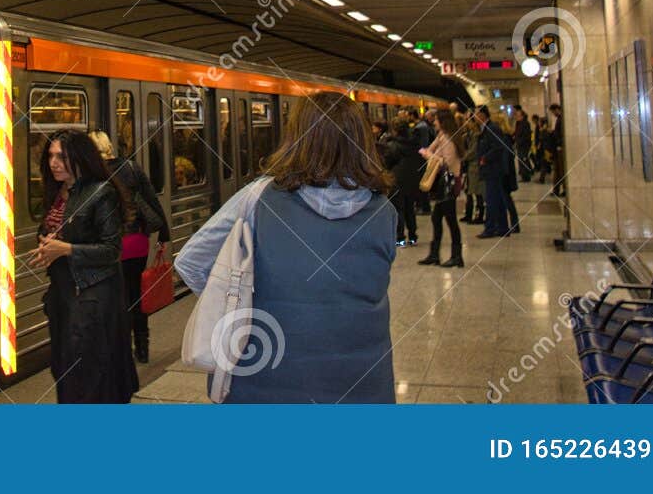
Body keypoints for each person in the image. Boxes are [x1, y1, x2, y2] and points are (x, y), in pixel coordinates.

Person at [178, 92, 396, 403]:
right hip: (362, 382)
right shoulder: (384, 210)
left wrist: (235, 302)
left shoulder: (258, 199)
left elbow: (190, 261)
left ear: (297, 136)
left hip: (265, 379)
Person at [32, 129, 136, 403]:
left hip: (91, 297)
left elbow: (111, 249)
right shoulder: (59, 192)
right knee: (65, 368)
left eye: (61, 157)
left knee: (89, 372)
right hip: (64, 296)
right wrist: (48, 246)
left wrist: (65, 249)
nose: (53, 162)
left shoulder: (101, 193)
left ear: (79, 158)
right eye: (51, 156)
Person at [91, 130, 170, 363]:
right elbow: (152, 199)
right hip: (137, 242)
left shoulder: (93, 176)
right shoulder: (132, 168)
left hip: (110, 246)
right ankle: (142, 347)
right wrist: (164, 233)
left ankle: (120, 349)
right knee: (135, 294)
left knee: (114, 298)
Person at [417, 109, 464, 268]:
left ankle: (456, 256)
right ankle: (434, 254)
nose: (434, 122)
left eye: (436, 120)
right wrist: (431, 149)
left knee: (450, 220)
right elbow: (430, 149)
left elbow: (446, 162)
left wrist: (429, 155)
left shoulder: (449, 139)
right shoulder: (443, 136)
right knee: (436, 218)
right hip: (444, 184)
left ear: (443, 122)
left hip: (448, 183)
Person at [476, 108, 518, 238]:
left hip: (493, 169)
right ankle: (503, 228)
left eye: (476, 114)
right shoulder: (488, 128)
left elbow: (498, 147)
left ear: (482, 115)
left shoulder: (491, 128)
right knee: (498, 200)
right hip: (493, 169)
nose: (474, 117)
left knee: (492, 200)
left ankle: (490, 228)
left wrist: (485, 158)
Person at [385, 122, 421, 247]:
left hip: (397, 180)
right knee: (410, 209)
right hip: (411, 180)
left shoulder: (392, 145)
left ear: (395, 131)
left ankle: (400, 238)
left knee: (398, 209)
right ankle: (412, 237)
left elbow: (387, 162)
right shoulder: (414, 144)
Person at [548, 103, 566, 197]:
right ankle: (557, 189)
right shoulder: (560, 119)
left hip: (560, 148)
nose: (553, 113)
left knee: (560, 170)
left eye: (553, 111)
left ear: (556, 109)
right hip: (558, 148)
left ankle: (561, 189)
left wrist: (559, 144)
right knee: (558, 170)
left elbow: (561, 133)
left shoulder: (561, 119)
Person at [512, 110, 533, 183]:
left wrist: (520, 141)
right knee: (521, 160)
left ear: (522, 116)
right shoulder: (518, 123)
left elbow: (526, 135)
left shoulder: (526, 123)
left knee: (524, 160)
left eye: (518, 116)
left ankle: (526, 176)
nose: (517, 117)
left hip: (524, 145)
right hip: (519, 145)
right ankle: (524, 175)